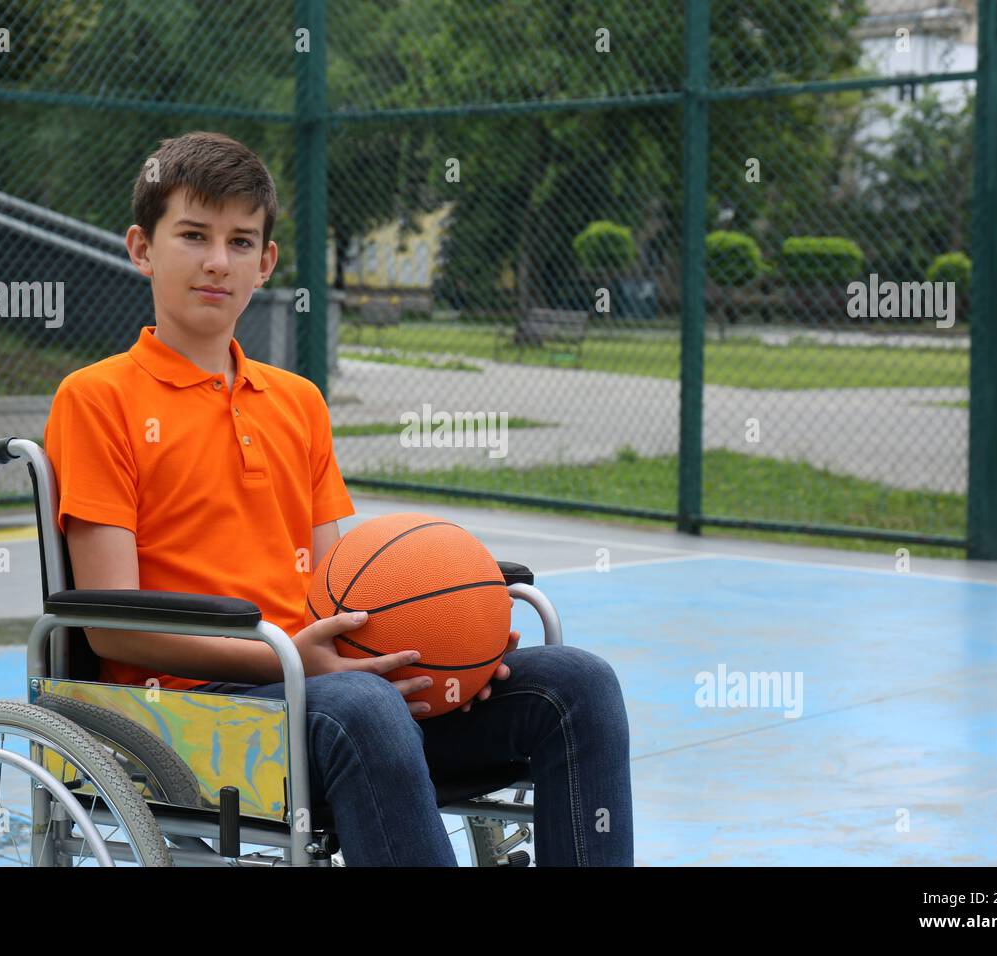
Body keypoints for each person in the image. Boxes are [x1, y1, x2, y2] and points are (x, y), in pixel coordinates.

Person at [43, 130, 633, 866]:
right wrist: (294, 658)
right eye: (193, 236)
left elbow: (342, 588)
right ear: (141, 247)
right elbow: (112, 629)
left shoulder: (297, 402)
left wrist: (453, 647)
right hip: (184, 714)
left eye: (240, 241)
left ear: (267, 263)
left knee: (576, 685)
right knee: (363, 705)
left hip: (329, 691)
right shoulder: (97, 399)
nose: (217, 261)